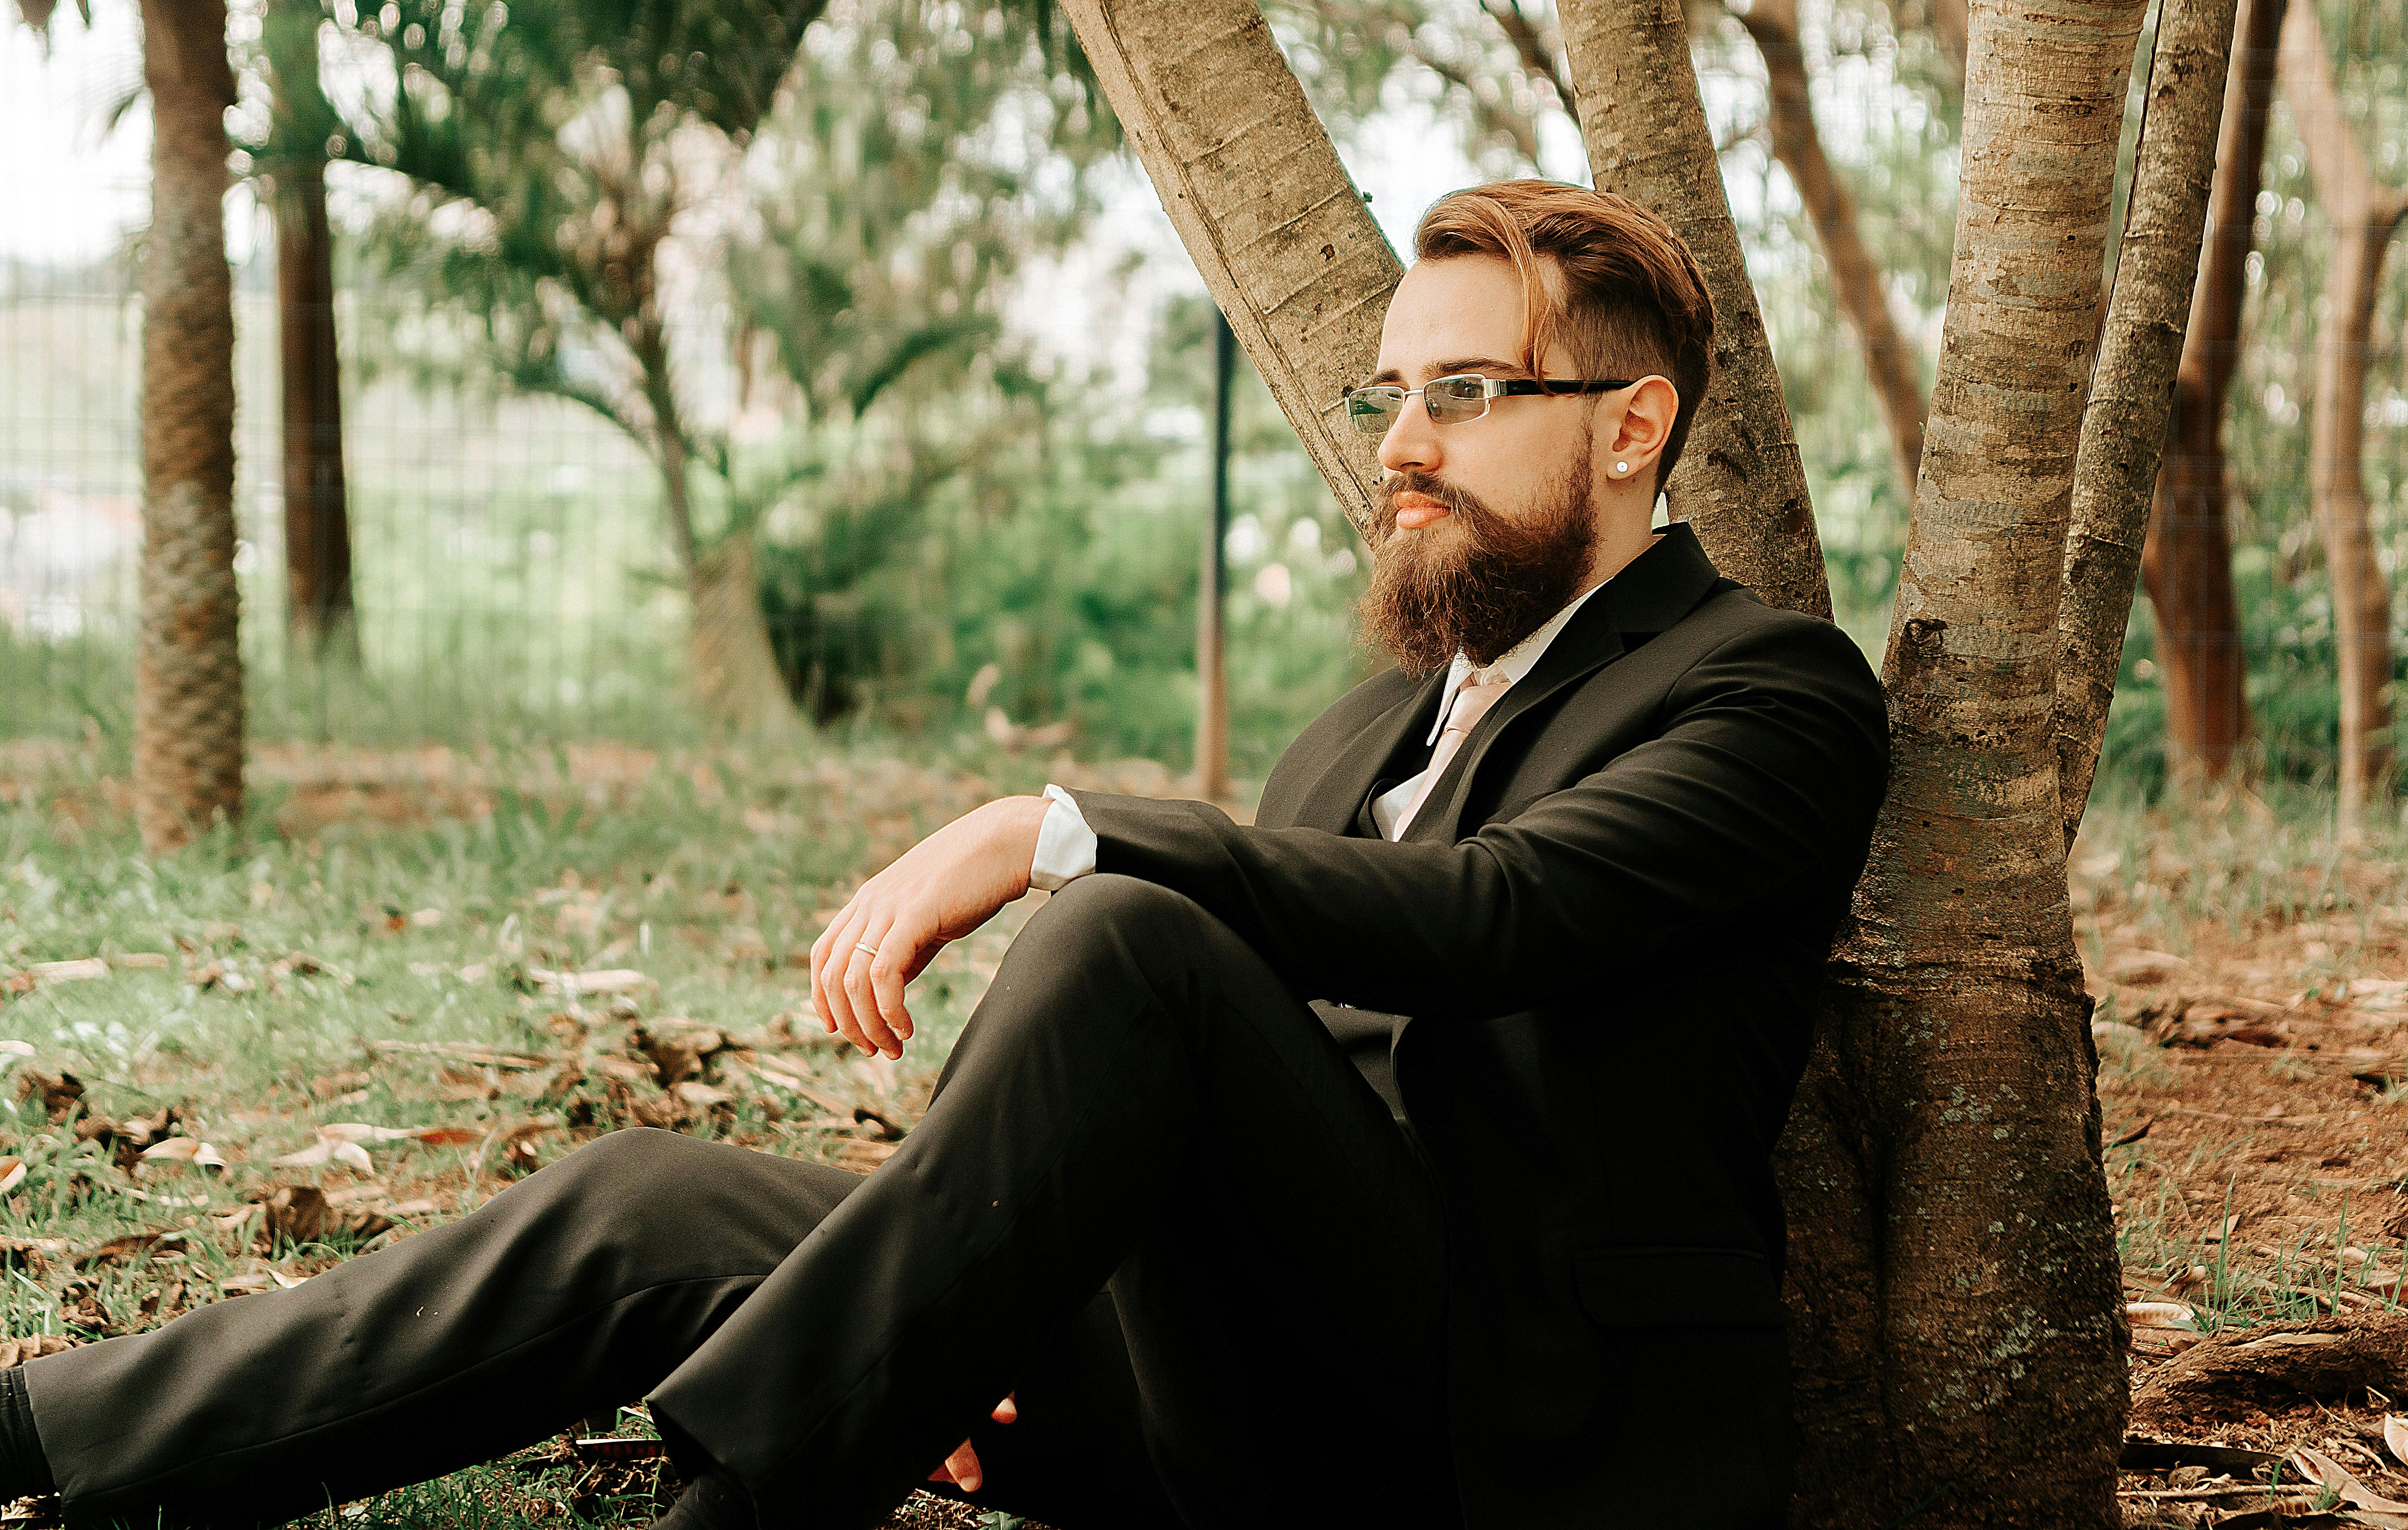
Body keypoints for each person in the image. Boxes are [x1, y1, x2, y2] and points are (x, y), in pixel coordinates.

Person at [0, 180, 1887, 1530]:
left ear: (1633, 425)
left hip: (1490, 1435)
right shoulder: (1369, 725)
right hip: (1201, 1384)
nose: (1401, 443)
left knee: (1128, 935)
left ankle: (748, 1484)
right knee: (649, 1201)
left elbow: (1500, 917)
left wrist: (1054, 827)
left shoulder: (1766, 696)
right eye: (1387, 394)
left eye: (1461, 394)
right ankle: (34, 1435)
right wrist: (975, 1293)